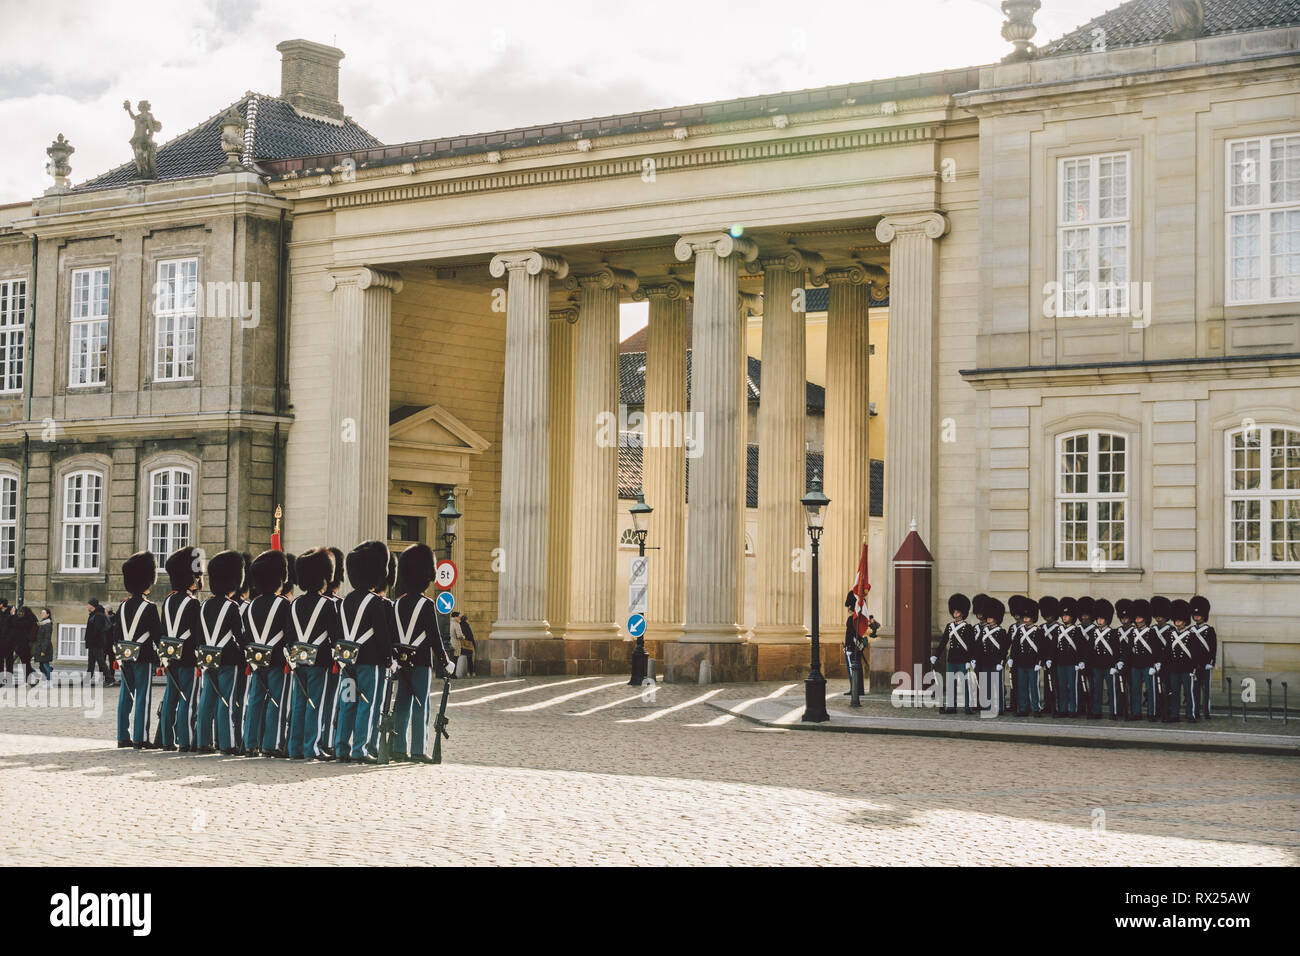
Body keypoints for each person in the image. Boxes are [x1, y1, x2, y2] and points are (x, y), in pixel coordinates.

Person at [391, 544, 455, 762]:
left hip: (401, 661)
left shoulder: (396, 604)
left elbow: (393, 635)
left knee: (401, 704)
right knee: (421, 705)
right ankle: (418, 750)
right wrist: (445, 661)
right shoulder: (427, 604)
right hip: (420, 662)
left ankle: (398, 748)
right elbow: (434, 637)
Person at [335, 540, 395, 764]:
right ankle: (360, 749)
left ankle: (341, 747)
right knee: (368, 705)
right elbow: (382, 635)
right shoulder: (376, 602)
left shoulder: (344, 601)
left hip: (347, 663)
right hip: (371, 662)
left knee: (347, 704)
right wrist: (389, 658)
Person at [287, 547, 342, 761]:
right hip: (320, 661)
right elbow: (335, 635)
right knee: (315, 704)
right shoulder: (328, 605)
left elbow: (289, 636)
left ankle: (295, 747)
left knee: (299, 704)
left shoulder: (295, 604)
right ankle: (313, 747)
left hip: (297, 660)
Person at [242, 550, 293, 758]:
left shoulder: (252, 605)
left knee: (255, 700)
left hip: (256, 658)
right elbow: (289, 633)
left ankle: (249, 742)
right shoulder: (283, 604)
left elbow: (247, 633)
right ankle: (271, 743)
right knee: (275, 702)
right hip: (277, 659)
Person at [196, 550, 247, 755]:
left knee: (207, 700)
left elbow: (200, 634)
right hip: (228, 657)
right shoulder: (232, 606)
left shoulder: (204, 605)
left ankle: (203, 741)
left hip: (208, 657)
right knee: (226, 700)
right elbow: (239, 635)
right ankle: (226, 743)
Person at [113, 551, 162, 749]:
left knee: (126, 694)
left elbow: (115, 632)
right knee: (143, 695)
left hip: (125, 655)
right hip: (143, 656)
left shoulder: (122, 606)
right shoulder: (149, 607)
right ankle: (140, 737)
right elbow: (157, 635)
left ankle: (122, 736)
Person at [158, 547, 203, 752]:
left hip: (170, 655)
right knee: (188, 699)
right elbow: (197, 633)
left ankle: (167, 739)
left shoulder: (167, 601)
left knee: (171, 698)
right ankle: (185, 740)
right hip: (188, 657)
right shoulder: (192, 603)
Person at [315, 546, 346, 758]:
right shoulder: (336, 604)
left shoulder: (299, 603)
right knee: (331, 703)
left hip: (311, 658)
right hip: (329, 660)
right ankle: (326, 740)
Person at [933, 593, 976, 714]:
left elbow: (971, 645)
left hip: (963, 659)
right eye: (954, 612)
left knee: (965, 684)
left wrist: (970, 660)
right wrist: (935, 655)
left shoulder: (967, 628)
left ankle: (968, 706)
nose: (955, 614)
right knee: (951, 684)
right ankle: (951, 706)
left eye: (958, 612)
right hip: (952, 659)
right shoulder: (949, 626)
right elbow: (943, 642)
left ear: (962, 613)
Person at [1008, 595, 1043, 717]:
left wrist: (1039, 663)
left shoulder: (1038, 631)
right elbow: (1015, 646)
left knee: (1034, 688)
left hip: (1033, 663)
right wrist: (1012, 658)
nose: (1026, 618)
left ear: (1033, 618)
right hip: (1022, 663)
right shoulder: (1020, 630)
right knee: (1022, 687)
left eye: (1028, 616)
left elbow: (1041, 648)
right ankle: (1023, 708)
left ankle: (1036, 708)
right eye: (1025, 616)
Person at [1126, 599, 1160, 722]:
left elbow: (1156, 649)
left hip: (1148, 665)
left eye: (1140, 618)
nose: (1138, 620)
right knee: (1135, 690)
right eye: (1136, 618)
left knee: (1151, 690)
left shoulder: (1151, 632)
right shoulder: (1133, 632)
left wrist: (1154, 664)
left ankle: (1152, 712)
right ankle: (1136, 712)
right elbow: (1129, 650)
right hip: (1135, 665)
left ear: (1145, 619)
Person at [1086, 599, 1120, 720]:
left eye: (1102, 619)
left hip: (1109, 666)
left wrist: (1116, 665)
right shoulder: (1093, 633)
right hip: (1097, 666)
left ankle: (1114, 711)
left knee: (1112, 690)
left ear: (1107, 619)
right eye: (1098, 619)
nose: (1099, 621)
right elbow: (1090, 651)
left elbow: (1116, 650)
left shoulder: (1113, 633)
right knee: (1096, 691)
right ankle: (1096, 711)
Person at [1165, 599, 1197, 723]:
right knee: (1175, 693)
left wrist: (1193, 668)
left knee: (1189, 694)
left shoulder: (1191, 635)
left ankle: (1190, 714)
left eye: (1180, 620)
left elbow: (1195, 654)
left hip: (1187, 669)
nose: (1177, 622)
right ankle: (1175, 714)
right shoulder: (1171, 635)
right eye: (1176, 620)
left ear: (1185, 621)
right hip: (1174, 669)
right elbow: (1167, 653)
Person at [1053, 597, 1083, 718]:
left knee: (1073, 687)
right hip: (1060, 662)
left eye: (1067, 615)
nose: (1064, 617)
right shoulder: (1058, 630)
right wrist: (1051, 659)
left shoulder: (1076, 631)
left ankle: (1073, 709)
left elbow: (1081, 647)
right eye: (1063, 615)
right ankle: (1062, 708)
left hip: (1072, 663)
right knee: (1061, 687)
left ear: (1072, 617)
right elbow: (1053, 646)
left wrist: (1080, 661)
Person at [1189, 595, 1217, 720]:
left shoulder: (1209, 630)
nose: (1196, 617)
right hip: (1194, 665)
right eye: (1195, 615)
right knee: (1195, 690)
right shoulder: (1190, 630)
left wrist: (1211, 661)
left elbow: (1213, 647)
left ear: (1204, 615)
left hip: (1205, 663)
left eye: (1199, 615)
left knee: (1206, 691)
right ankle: (1196, 711)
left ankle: (1207, 711)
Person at [1037, 596, 1061, 717]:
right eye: (1046, 614)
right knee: (1047, 683)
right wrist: (1042, 659)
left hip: (1056, 660)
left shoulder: (1059, 628)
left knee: (1056, 684)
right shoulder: (1042, 628)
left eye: (1050, 614)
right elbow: (1040, 645)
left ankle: (1056, 706)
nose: (1048, 616)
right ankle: (1047, 705)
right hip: (1046, 660)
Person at [85, 599, 116, 686]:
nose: (87, 606)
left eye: (88, 604)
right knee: (91, 663)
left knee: (101, 662)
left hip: (96, 643)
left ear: (92, 605)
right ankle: (87, 680)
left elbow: (97, 630)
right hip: (93, 643)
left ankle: (110, 679)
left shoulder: (98, 615)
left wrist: (92, 639)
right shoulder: (94, 614)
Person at [34, 609, 54, 682]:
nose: (41, 614)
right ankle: (46, 680)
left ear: (48, 614)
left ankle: (49, 681)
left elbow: (47, 638)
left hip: (45, 648)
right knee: (41, 666)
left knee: (45, 665)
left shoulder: (48, 624)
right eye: (41, 613)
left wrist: (43, 650)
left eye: (43, 613)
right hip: (40, 647)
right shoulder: (42, 623)